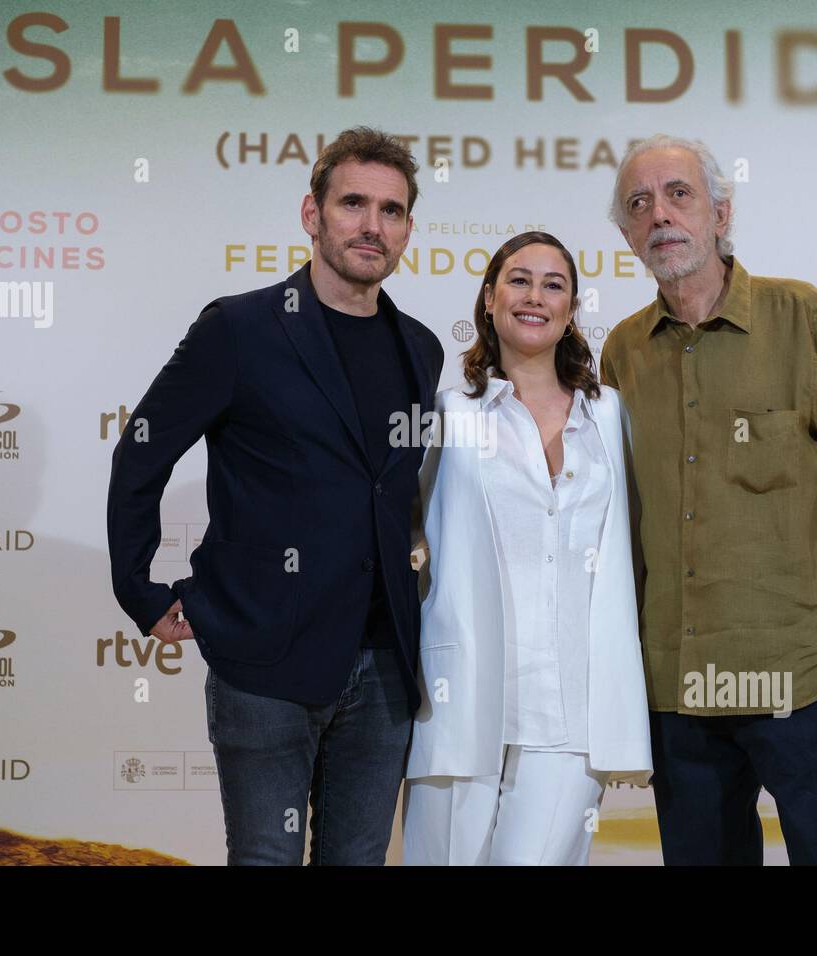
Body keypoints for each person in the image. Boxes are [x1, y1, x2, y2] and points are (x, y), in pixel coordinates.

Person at [106, 127, 444, 865]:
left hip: (385, 664)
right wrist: (137, 588)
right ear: (311, 214)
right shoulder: (240, 328)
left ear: (408, 228)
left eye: (391, 210)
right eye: (353, 203)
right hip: (264, 658)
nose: (371, 225)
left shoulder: (420, 347)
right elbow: (140, 454)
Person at [600, 134, 817, 865]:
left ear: (721, 210)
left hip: (802, 668)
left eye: (678, 194)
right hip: (677, 682)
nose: (661, 216)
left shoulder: (799, 316)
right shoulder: (621, 351)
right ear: (625, 232)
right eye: (639, 204)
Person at [402, 231, 652, 866]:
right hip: (460, 694)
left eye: (553, 284)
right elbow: (399, 530)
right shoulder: (446, 412)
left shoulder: (611, 414)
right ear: (488, 299)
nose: (534, 296)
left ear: (571, 308)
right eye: (518, 280)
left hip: (573, 706)